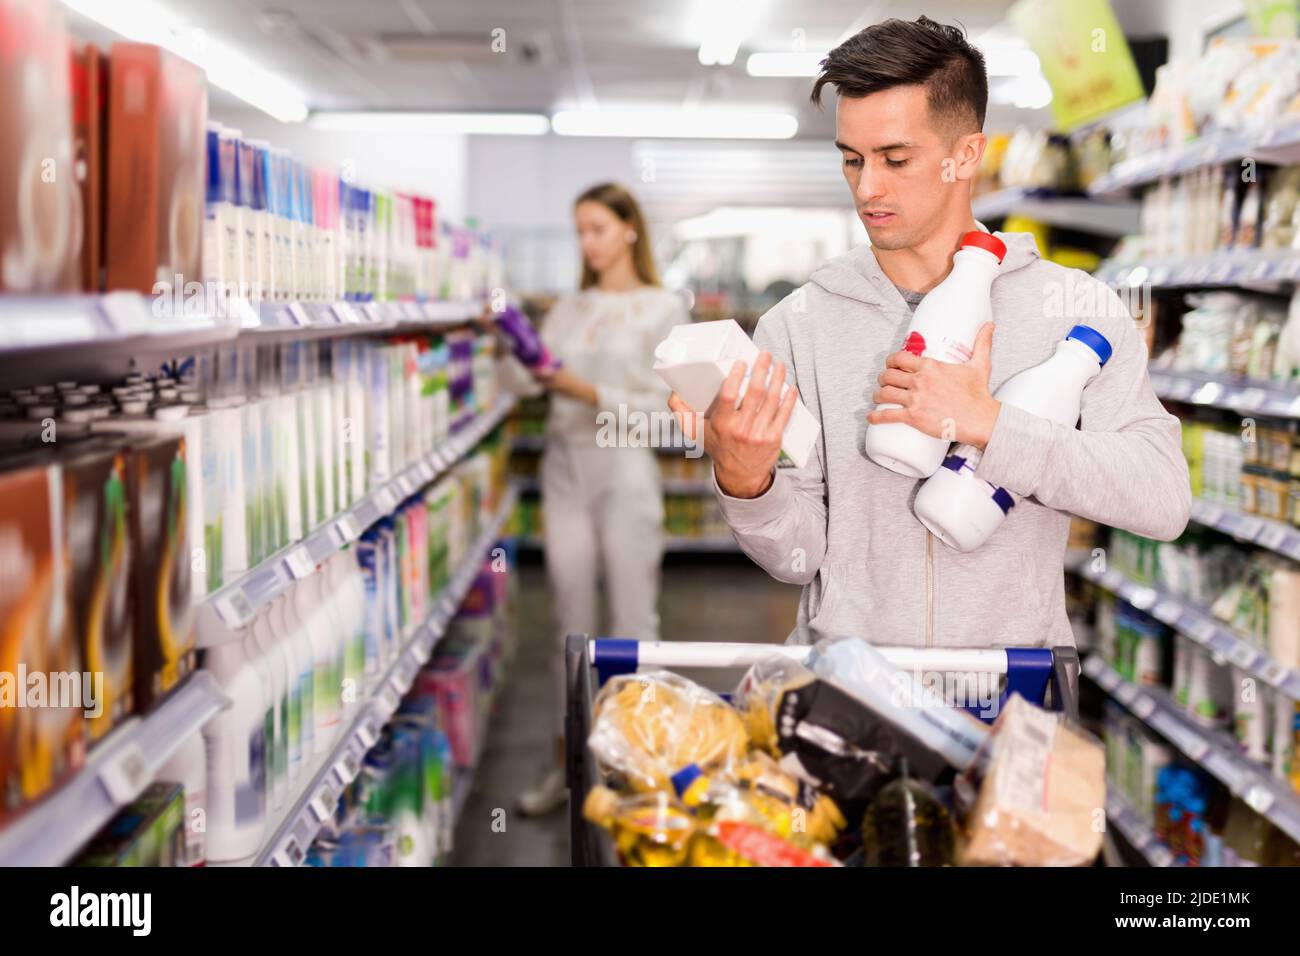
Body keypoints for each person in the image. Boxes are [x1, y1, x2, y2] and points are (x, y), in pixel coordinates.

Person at [669, 16, 1191, 653]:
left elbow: (1162, 499)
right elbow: (800, 557)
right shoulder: (798, 324)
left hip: (1013, 689)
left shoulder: (1077, 308)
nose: (868, 188)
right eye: (852, 160)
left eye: (896, 159)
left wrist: (992, 424)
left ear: (966, 154)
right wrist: (748, 481)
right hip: (851, 684)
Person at [497, 182, 689, 815]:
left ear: (630, 228)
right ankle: (572, 764)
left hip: (623, 469)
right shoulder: (569, 307)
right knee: (568, 626)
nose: (588, 242)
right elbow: (523, 379)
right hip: (563, 470)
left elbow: (671, 416)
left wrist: (587, 391)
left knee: (635, 623)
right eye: (579, 230)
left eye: (598, 228)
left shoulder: (662, 309)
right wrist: (509, 343)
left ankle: (638, 767)